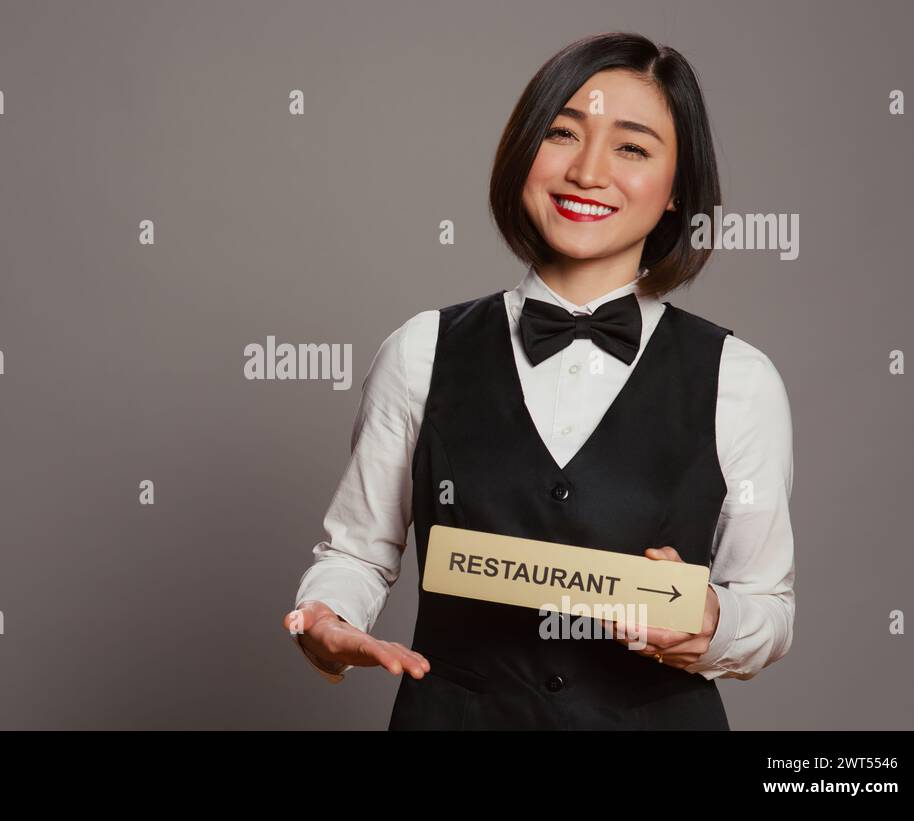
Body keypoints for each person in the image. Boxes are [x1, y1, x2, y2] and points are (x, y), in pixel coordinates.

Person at [282, 31, 795, 730]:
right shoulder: (420, 351)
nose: (588, 171)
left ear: (677, 192)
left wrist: (712, 619)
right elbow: (356, 551)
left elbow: (768, 606)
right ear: (524, 150)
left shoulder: (740, 379)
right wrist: (324, 620)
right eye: (563, 133)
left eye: (633, 147)